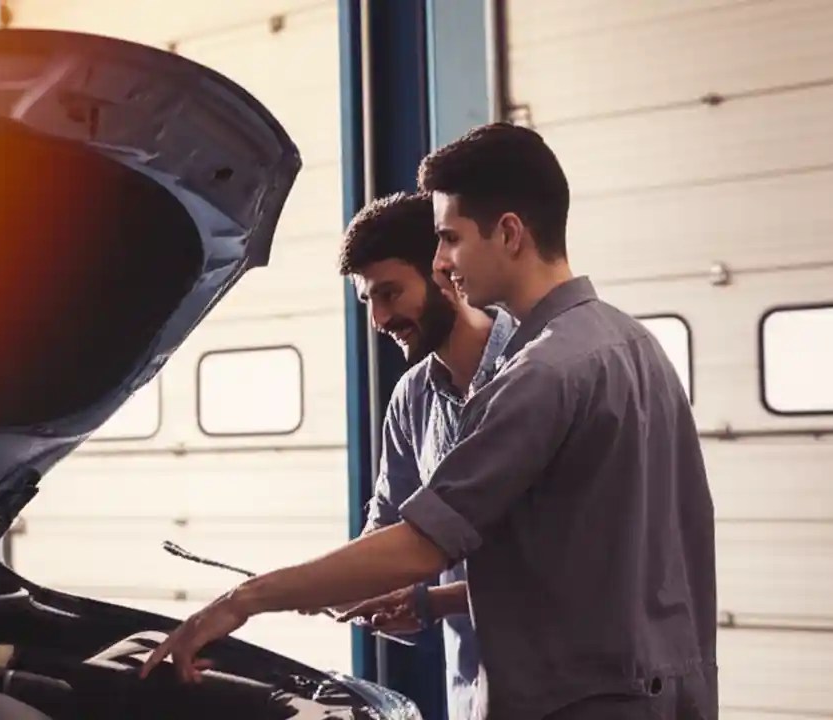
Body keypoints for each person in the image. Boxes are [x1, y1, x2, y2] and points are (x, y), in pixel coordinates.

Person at [138, 122, 717, 720]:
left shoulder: (545, 373)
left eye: (450, 240)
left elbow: (421, 544)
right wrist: (371, 590)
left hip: (582, 697)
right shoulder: (632, 343)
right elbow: (571, 559)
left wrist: (245, 600)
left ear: (510, 233)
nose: (443, 263)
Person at [324, 190, 516, 719]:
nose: (380, 319)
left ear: (443, 273)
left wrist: (429, 603)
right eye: (369, 302)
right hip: (471, 695)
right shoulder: (411, 399)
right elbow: (386, 525)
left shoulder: (535, 375)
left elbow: (559, 572)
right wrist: (340, 585)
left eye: (390, 293)